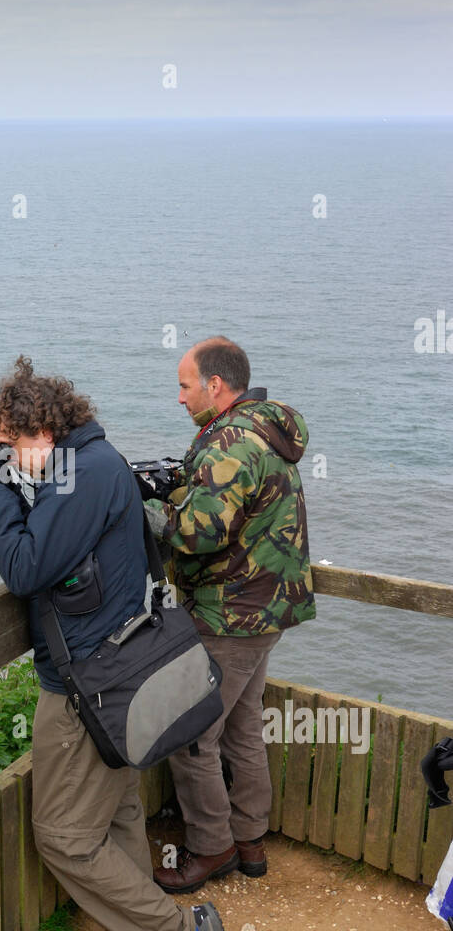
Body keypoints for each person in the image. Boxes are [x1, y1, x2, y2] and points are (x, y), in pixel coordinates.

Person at [0, 355, 232, 931]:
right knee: (118, 823)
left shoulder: (83, 476)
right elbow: (52, 540)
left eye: (7, 445)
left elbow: (24, 564)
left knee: (62, 838)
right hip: (117, 679)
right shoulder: (89, 464)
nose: (4, 458)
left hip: (87, 692)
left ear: (40, 433)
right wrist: (5, 473)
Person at [145, 337, 315, 893]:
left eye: (184, 385)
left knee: (190, 734)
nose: (179, 397)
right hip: (268, 607)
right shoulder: (267, 430)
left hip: (229, 614)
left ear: (215, 385)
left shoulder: (232, 441)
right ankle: (249, 840)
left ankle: (211, 847)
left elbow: (198, 532)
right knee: (242, 729)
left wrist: (152, 506)